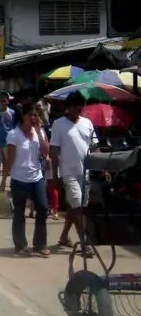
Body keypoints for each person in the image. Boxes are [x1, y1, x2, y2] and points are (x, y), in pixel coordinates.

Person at [0, 103, 51, 257]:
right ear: (24, 116)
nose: (34, 118)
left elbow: (46, 151)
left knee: (43, 207)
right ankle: (20, 245)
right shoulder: (14, 134)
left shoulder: (39, 132)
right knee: (19, 212)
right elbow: (10, 159)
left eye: (36, 115)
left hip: (37, 177)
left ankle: (40, 244)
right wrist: (3, 180)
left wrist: (39, 133)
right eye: (31, 115)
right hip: (19, 178)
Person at [50, 91, 97, 255]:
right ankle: (85, 243)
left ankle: (64, 237)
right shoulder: (58, 124)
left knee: (76, 206)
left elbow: (94, 147)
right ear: (68, 107)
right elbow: (54, 150)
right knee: (78, 207)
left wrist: (103, 167)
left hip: (85, 172)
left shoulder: (87, 123)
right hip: (68, 172)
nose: (79, 109)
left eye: (81, 106)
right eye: (76, 106)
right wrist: (55, 174)